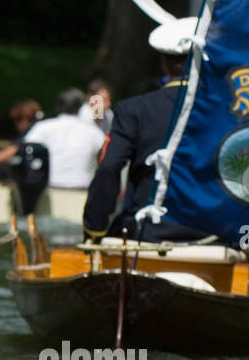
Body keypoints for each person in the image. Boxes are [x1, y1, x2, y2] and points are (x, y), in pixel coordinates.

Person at [82, 18, 209, 243]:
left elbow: (108, 168)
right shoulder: (227, 110)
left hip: (146, 232)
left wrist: (95, 229)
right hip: (212, 235)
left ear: (164, 64)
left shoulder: (133, 110)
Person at [21, 89, 106, 190]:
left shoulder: (42, 127)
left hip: (49, 187)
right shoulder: (95, 132)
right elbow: (106, 159)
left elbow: (24, 149)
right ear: (81, 107)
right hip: (83, 187)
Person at [0, 99, 43, 181]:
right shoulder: (42, 128)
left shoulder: (34, 131)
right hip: (32, 169)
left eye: (19, 119)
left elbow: (15, 149)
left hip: (34, 173)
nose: (19, 124)